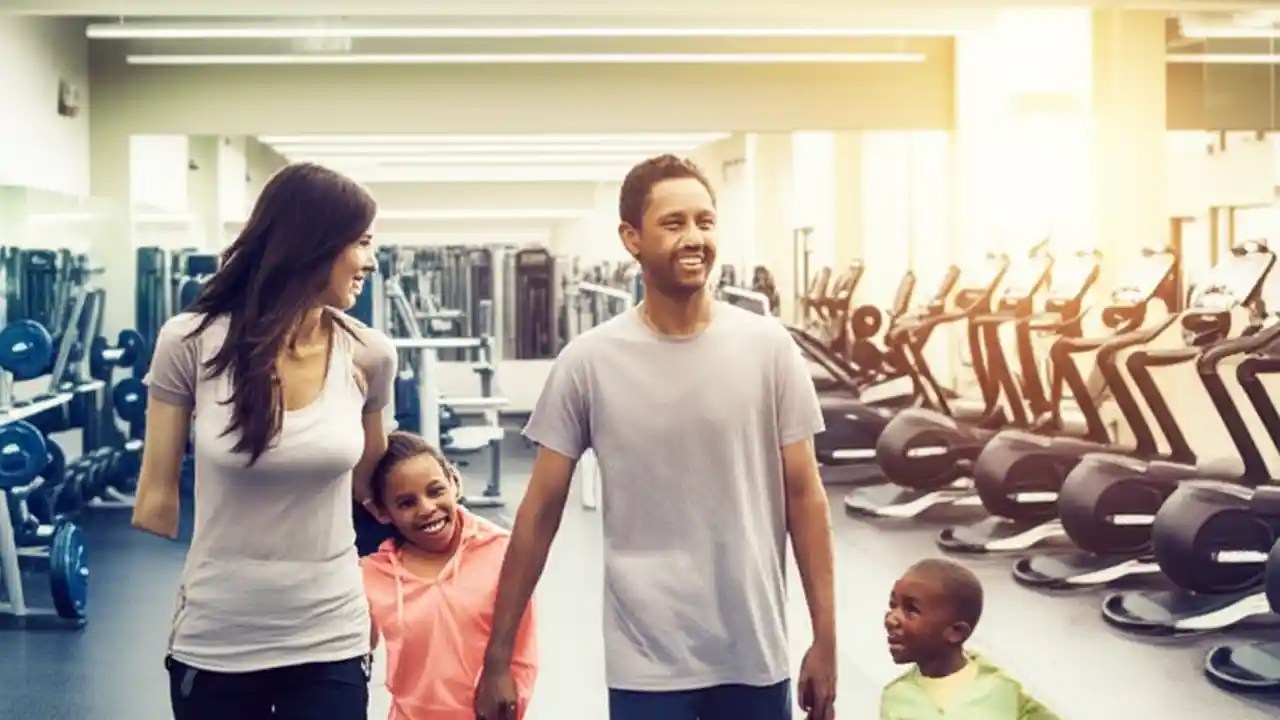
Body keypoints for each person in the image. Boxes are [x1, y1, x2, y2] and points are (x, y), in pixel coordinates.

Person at [474, 154, 838, 720]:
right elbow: (540, 510)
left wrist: (826, 639)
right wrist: (498, 655)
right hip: (645, 660)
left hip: (754, 650)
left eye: (705, 221)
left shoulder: (769, 347)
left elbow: (805, 496)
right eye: (674, 223)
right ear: (632, 238)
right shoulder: (589, 361)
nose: (694, 237)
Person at [131, 162, 398, 720]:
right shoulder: (190, 342)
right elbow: (155, 493)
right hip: (218, 633)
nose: (371, 261)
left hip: (330, 632)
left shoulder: (369, 354)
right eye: (362, 243)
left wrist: (439, 496)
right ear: (312, 245)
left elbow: (373, 491)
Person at [360, 430, 539, 719]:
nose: (427, 508)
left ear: (454, 482)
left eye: (435, 491)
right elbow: (356, 657)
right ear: (382, 512)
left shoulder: (502, 552)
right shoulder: (372, 573)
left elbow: (522, 655)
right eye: (406, 503)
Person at [881, 558, 1060, 719]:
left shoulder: (1002, 690)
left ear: (956, 632)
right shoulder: (895, 698)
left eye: (912, 610)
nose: (891, 619)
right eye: (893, 605)